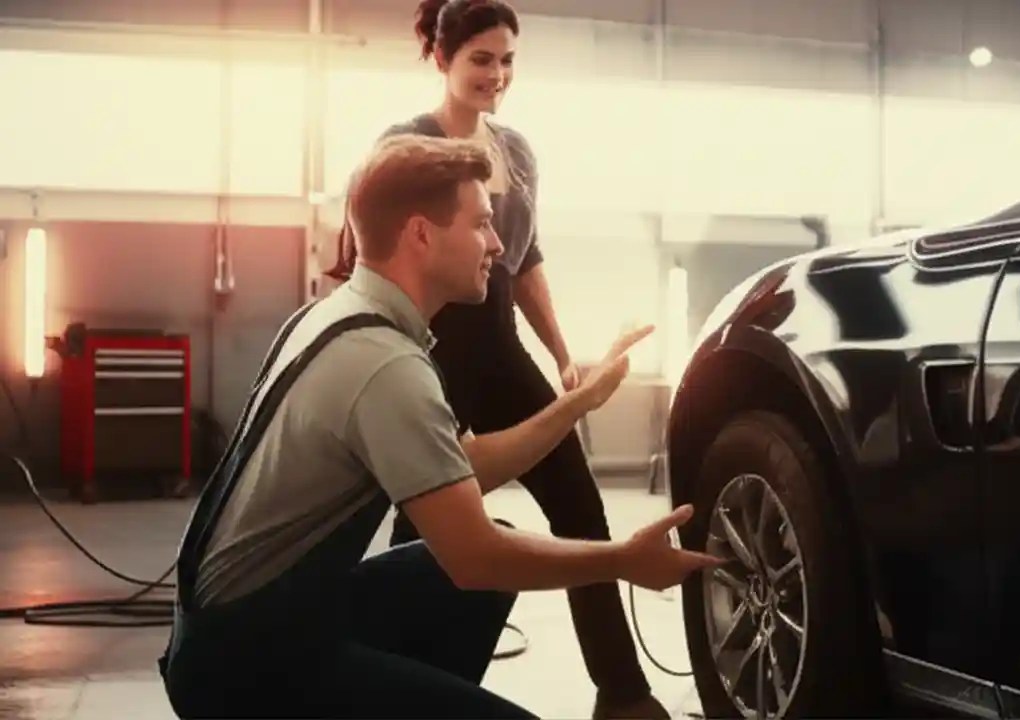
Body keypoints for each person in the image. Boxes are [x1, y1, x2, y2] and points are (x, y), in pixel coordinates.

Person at [157, 134, 719, 719]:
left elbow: (458, 467)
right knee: (481, 567)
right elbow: (475, 558)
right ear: (421, 235)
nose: (497, 245)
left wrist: (578, 403)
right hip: (243, 661)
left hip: (242, 623)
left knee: (466, 581)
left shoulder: (334, 316)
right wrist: (623, 560)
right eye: (481, 224)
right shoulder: (386, 366)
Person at [327, 2, 672, 717]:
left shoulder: (516, 151)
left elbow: (524, 260)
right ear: (442, 59)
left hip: (503, 350)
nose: (498, 74)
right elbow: (369, 254)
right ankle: (413, 691)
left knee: (579, 504)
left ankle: (623, 692)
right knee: (429, 531)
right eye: (481, 59)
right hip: (428, 353)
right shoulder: (405, 144)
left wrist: (563, 355)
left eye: (508, 59)